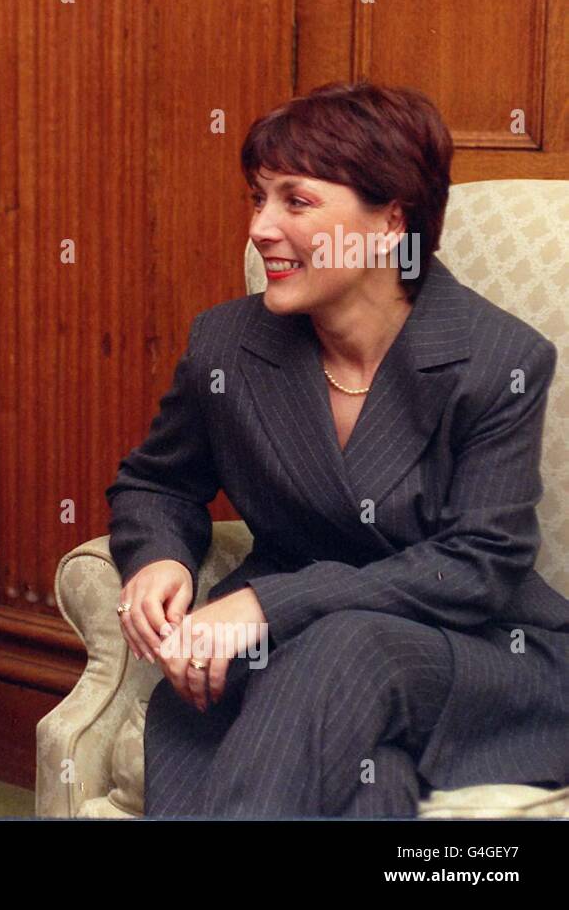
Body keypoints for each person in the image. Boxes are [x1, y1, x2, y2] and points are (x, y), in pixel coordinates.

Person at [107, 81, 569, 817]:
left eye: (296, 201)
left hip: (472, 655)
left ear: (390, 222)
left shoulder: (497, 360)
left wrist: (268, 604)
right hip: (292, 663)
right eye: (258, 198)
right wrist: (158, 556)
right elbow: (156, 484)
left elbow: (479, 565)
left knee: (348, 648)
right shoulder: (227, 344)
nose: (260, 227)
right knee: (368, 784)